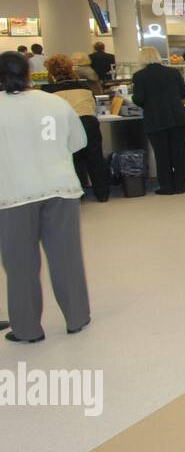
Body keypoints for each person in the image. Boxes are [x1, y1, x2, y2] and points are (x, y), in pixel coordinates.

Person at [0, 51, 91, 343]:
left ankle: (27, 329)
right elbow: (78, 142)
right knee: (67, 256)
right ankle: (77, 317)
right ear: (29, 73)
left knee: (20, 264)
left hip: (12, 195)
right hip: (60, 189)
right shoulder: (54, 102)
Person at [43, 55, 110, 202]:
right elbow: (93, 106)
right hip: (88, 122)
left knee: (73, 160)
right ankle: (102, 194)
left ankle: (78, 195)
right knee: (95, 159)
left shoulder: (49, 90)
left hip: (66, 125)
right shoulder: (84, 86)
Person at [131, 45, 185, 195]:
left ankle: (167, 185)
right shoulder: (173, 72)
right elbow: (183, 93)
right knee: (180, 152)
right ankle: (181, 185)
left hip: (156, 119)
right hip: (177, 117)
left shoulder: (139, 76)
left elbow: (139, 99)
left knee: (162, 153)